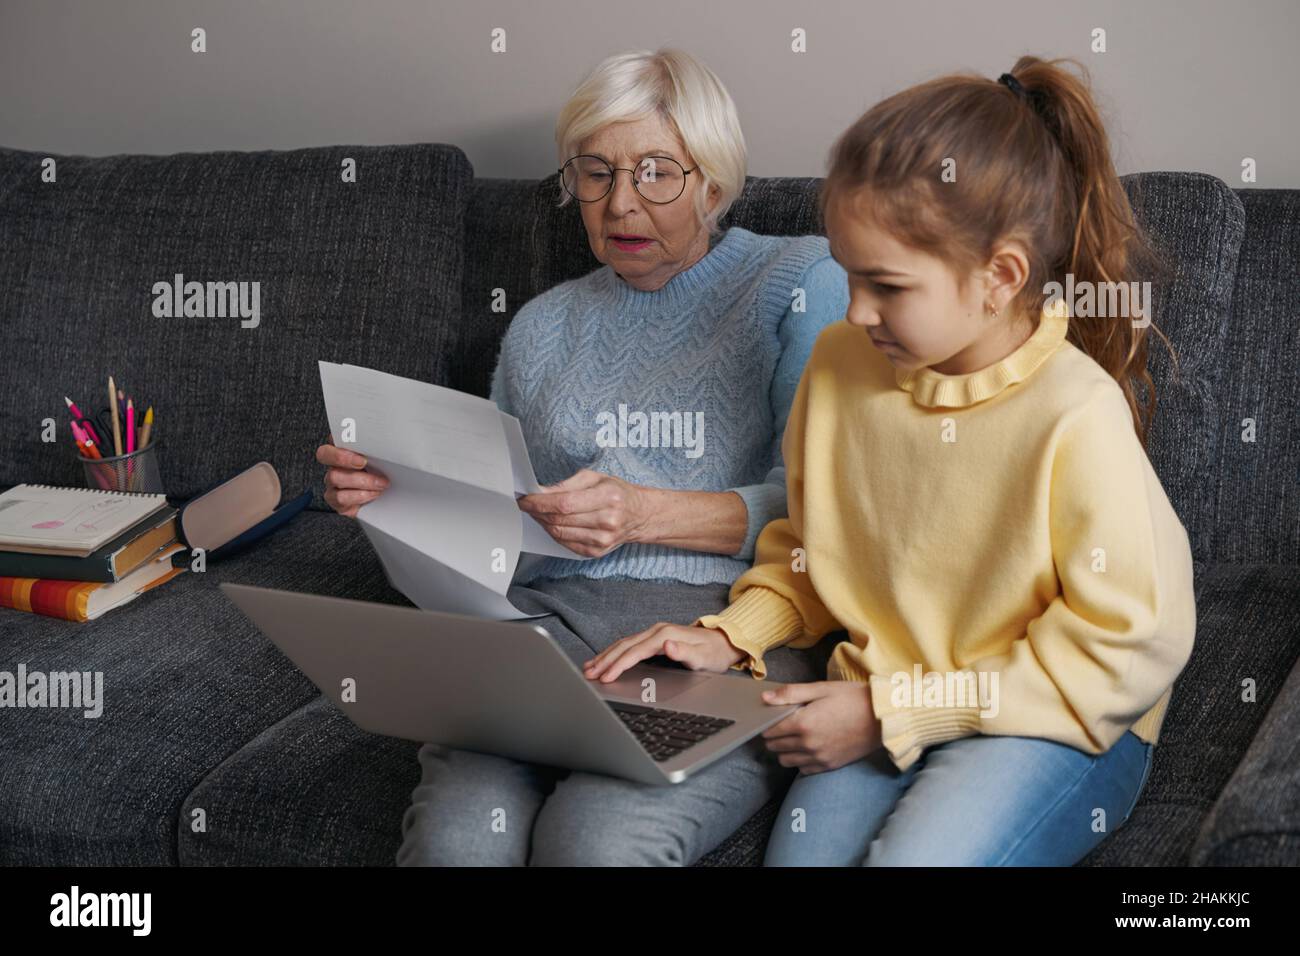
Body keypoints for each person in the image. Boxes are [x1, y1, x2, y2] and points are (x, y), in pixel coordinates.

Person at [586, 55, 1197, 866]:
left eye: (887, 285)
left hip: (1057, 715)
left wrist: (891, 714)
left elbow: (1121, 649)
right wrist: (735, 635)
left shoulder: (1076, 413)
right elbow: (812, 552)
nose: (855, 310)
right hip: (880, 692)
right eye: (848, 274)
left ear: (999, 277)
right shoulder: (841, 366)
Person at [316, 48, 848, 865]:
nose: (620, 202)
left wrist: (645, 512)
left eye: (656, 172)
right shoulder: (541, 324)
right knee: (457, 844)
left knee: (595, 844)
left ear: (714, 181)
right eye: (594, 173)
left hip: (716, 631)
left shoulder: (799, 282)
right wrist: (401, 495)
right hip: (542, 636)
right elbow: (497, 517)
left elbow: (835, 515)